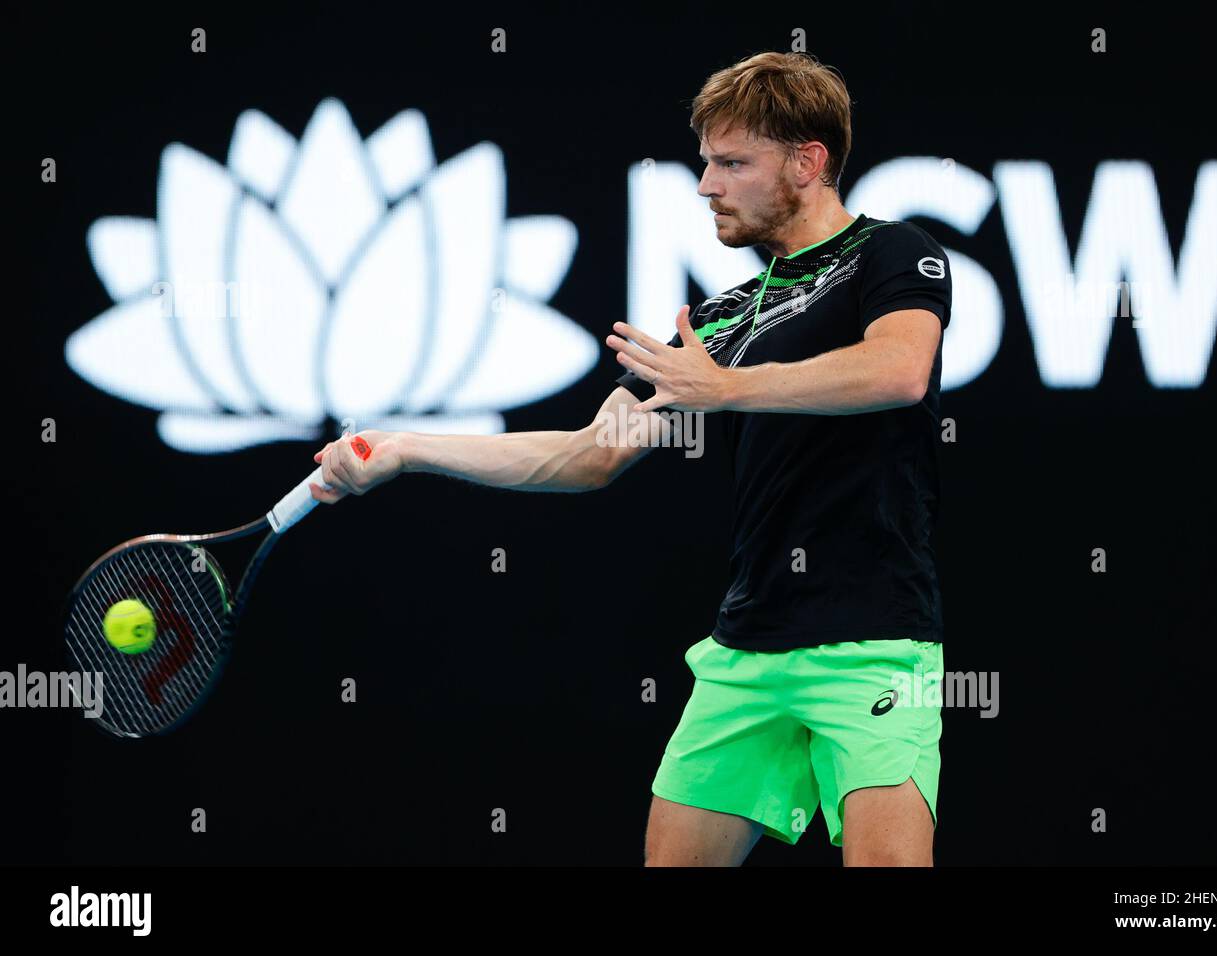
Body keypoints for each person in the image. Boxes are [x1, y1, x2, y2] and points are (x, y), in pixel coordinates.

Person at [310, 51, 952, 867]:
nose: (705, 185)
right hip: (743, 653)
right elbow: (588, 456)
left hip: (872, 644)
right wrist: (405, 449)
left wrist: (724, 389)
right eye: (705, 162)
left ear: (807, 162)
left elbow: (897, 372)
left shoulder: (892, 254)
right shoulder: (719, 318)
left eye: (731, 163)